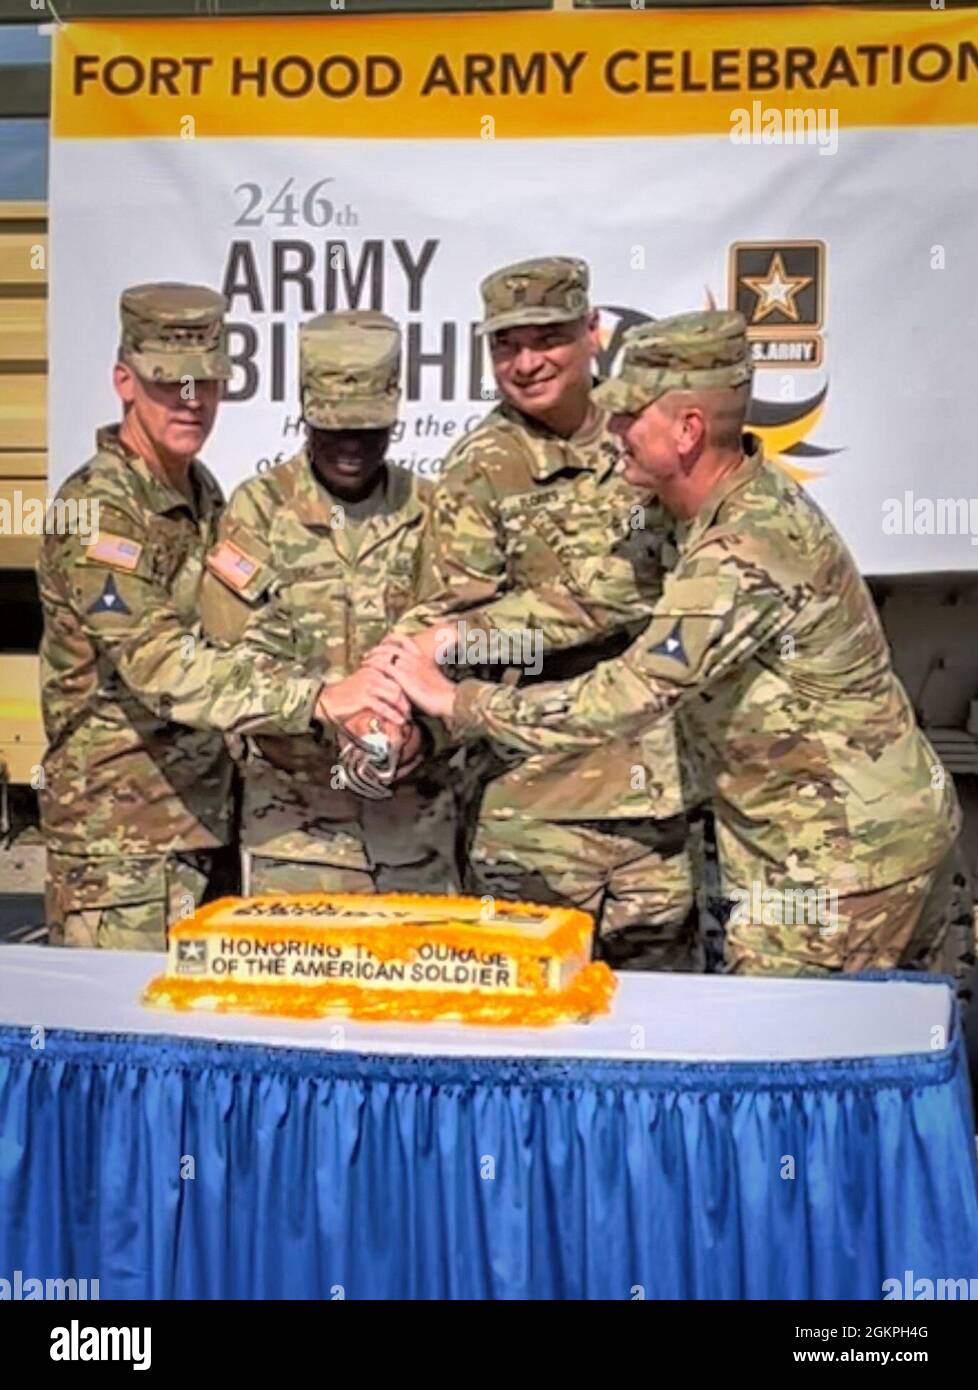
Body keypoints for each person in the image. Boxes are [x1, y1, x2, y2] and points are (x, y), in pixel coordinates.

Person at [372, 310, 963, 975]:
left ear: (687, 432)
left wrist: (458, 703)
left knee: (780, 1057)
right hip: (833, 842)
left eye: (631, 416)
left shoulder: (745, 548)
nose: (615, 431)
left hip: (841, 864)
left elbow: (624, 697)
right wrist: (450, 639)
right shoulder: (684, 515)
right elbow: (587, 599)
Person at [38, 284, 403, 950]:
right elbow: (161, 666)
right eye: (168, 381)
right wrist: (321, 698)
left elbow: (240, 631)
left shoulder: (200, 492)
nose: (190, 400)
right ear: (124, 380)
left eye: (206, 382)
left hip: (206, 829)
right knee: (128, 1047)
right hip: (124, 852)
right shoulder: (96, 510)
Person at [392, 256, 699, 970]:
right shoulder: (481, 467)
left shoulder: (649, 434)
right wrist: (536, 644)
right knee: (531, 1034)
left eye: (548, 338)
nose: (526, 362)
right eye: (506, 344)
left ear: (593, 332)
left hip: (660, 804)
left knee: (658, 1033)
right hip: (535, 810)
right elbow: (454, 640)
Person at [198, 310, 460, 895]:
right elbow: (233, 661)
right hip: (297, 836)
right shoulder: (259, 511)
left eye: (369, 429)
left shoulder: (433, 511)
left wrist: (424, 737)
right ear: (305, 412)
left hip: (414, 834)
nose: (352, 446)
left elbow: (469, 646)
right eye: (335, 428)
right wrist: (324, 710)